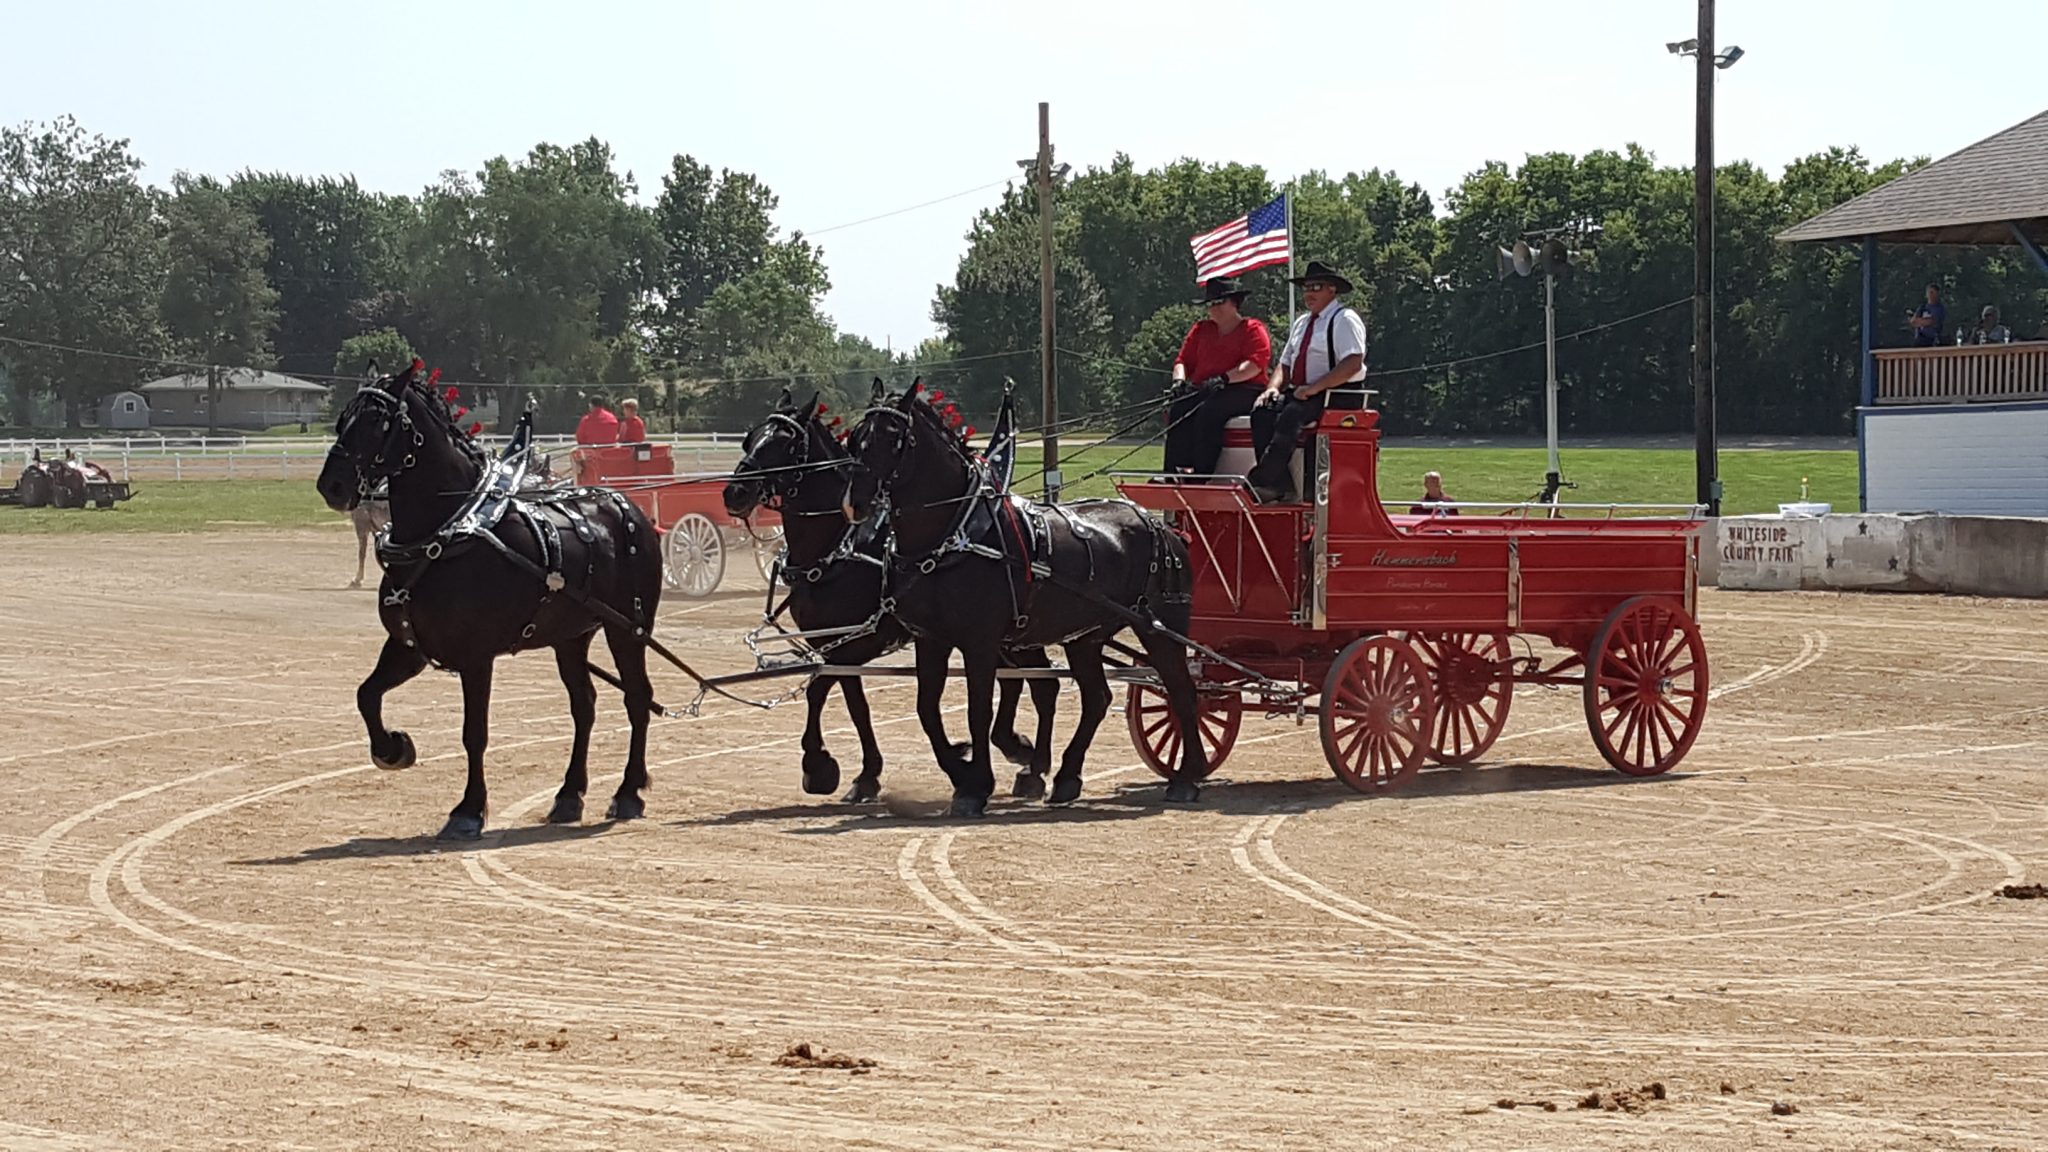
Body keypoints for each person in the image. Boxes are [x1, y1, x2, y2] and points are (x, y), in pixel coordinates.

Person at [1247, 261, 1368, 503]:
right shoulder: (1302, 323)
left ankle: (1263, 478)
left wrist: (1314, 388)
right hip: (1304, 392)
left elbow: (1353, 363)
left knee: (1291, 415)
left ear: (1332, 289)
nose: (1309, 293)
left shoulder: (1344, 319)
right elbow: (1285, 364)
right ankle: (1279, 484)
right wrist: (1272, 388)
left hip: (1338, 392)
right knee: (1262, 411)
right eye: (1306, 288)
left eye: (1316, 287)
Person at [1161, 277, 1273, 477]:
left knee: (1209, 412)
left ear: (1234, 303)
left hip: (1243, 389)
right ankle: (1174, 471)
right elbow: (1183, 361)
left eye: (1220, 302)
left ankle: (1202, 472)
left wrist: (1224, 379)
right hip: (1207, 388)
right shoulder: (1201, 330)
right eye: (1211, 303)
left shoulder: (1252, 329)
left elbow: (1254, 364)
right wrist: (1179, 381)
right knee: (1178, 408)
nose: (1214, 308)